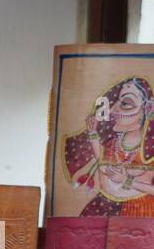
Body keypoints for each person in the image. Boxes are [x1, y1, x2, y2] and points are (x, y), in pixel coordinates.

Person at [64, 76, 154, 216]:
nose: (113, 111)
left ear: (146, 109)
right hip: (105, 206)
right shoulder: (114, 143)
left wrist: (127, 181)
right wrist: (93, 133)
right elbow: (103, 163)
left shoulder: (150, 149)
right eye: (115, 102)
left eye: (126, 103)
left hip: (140, 211)